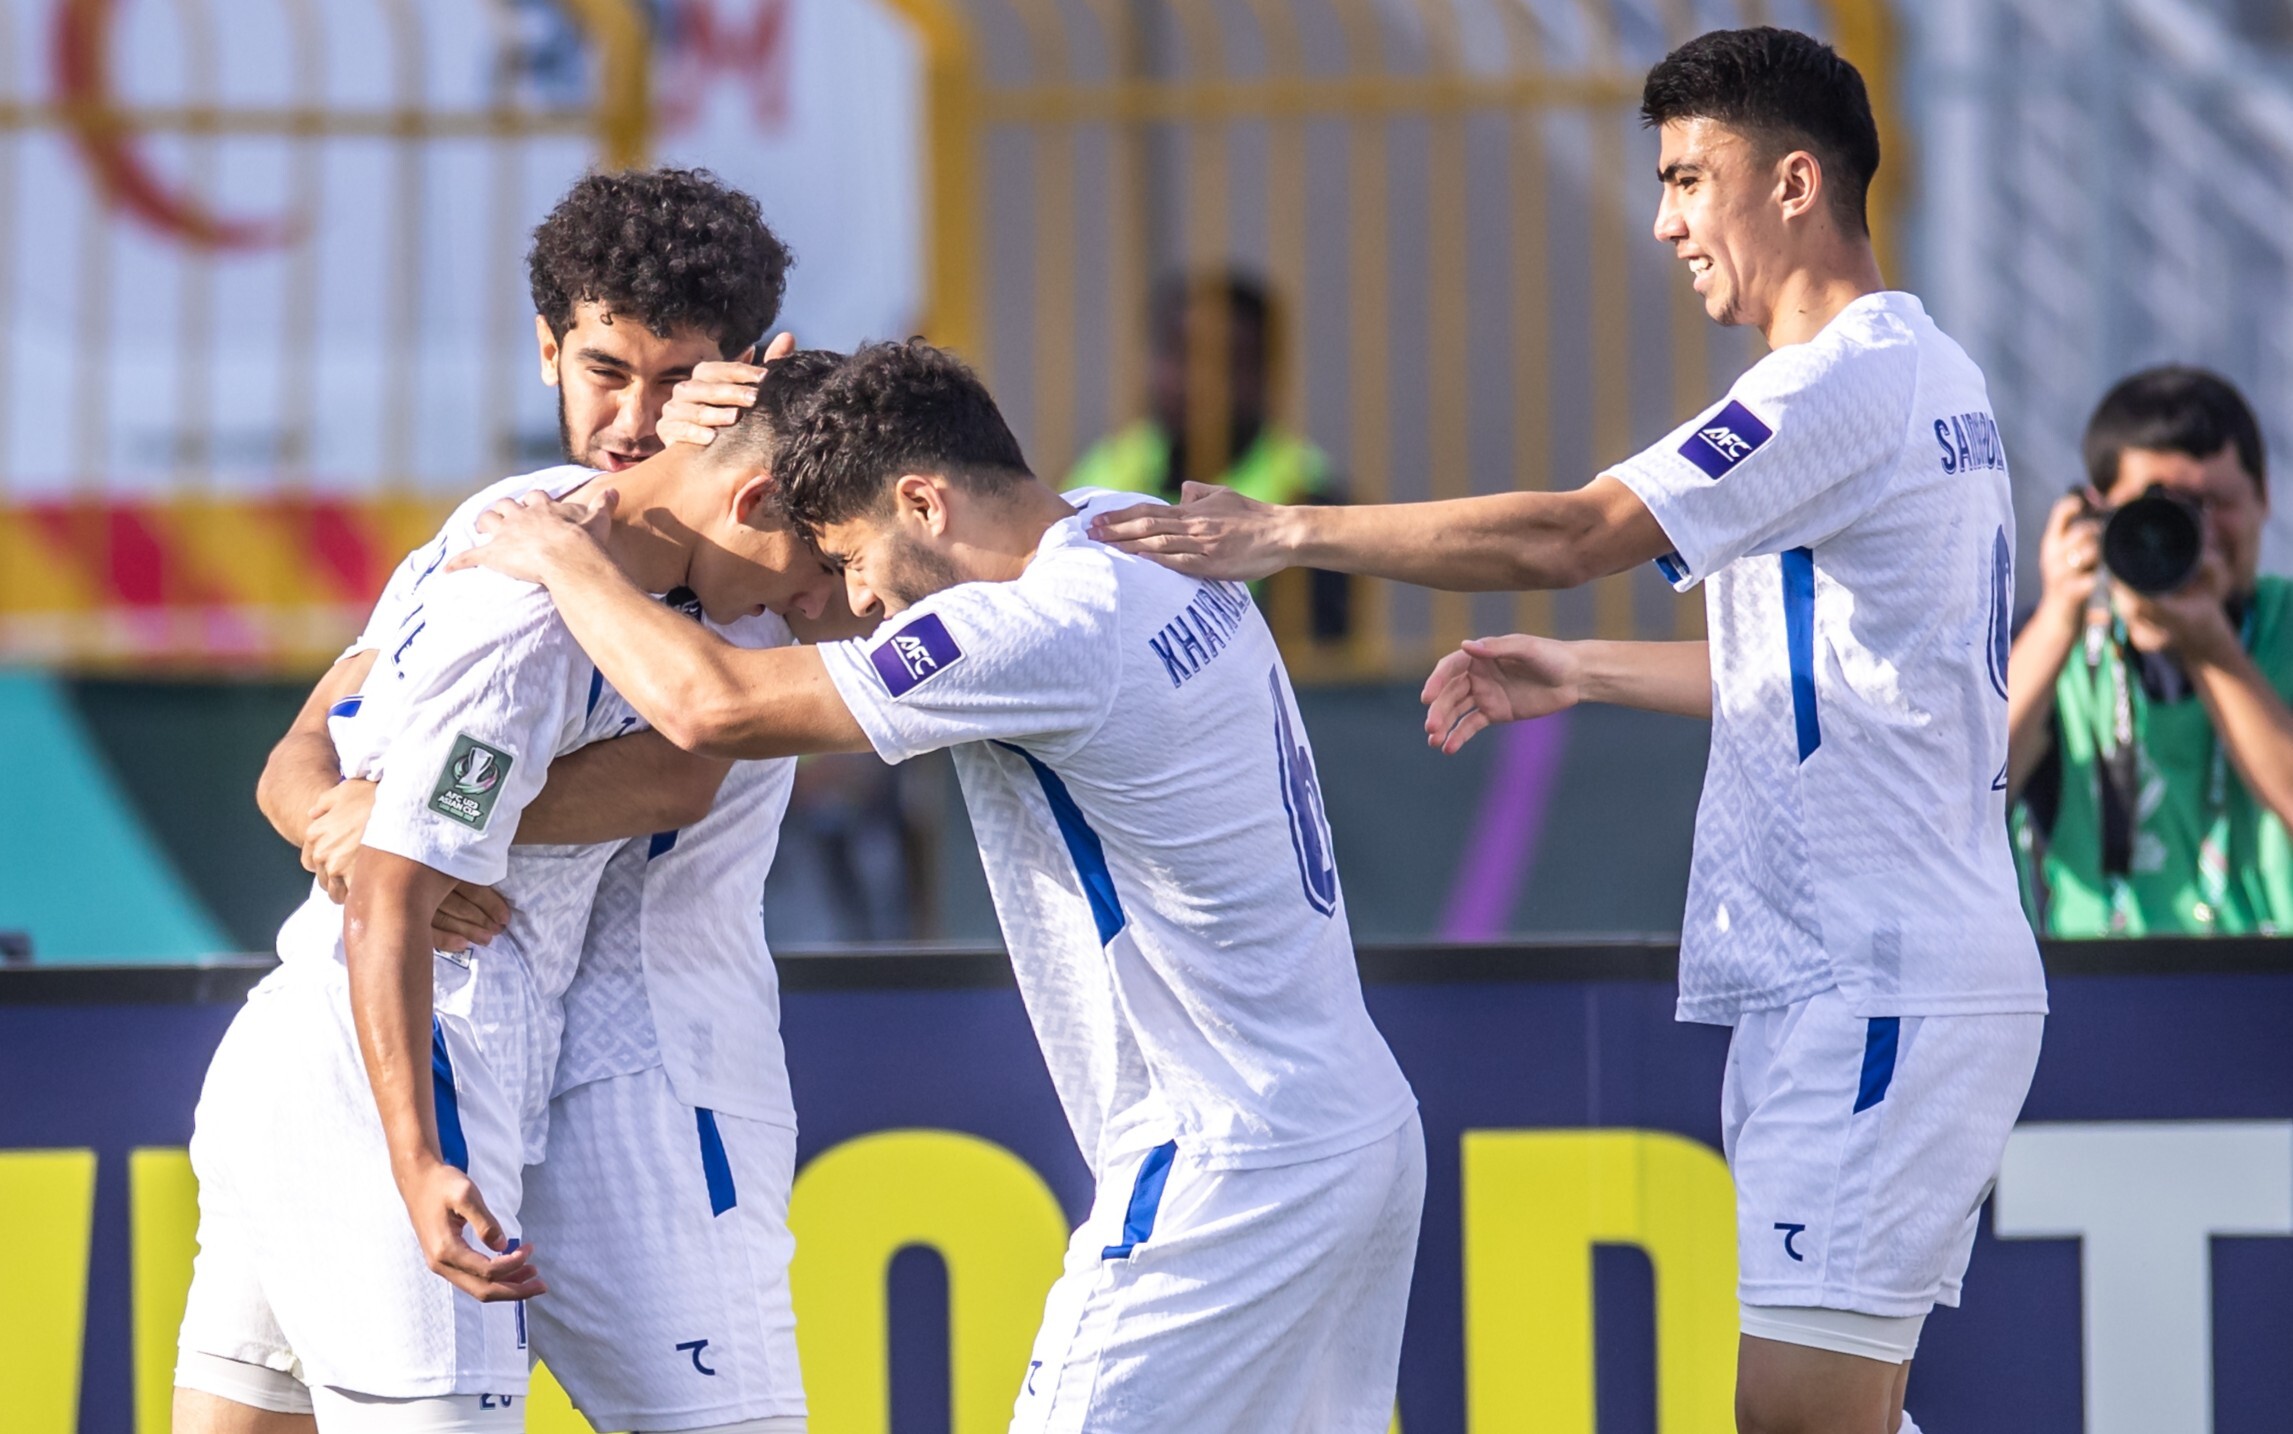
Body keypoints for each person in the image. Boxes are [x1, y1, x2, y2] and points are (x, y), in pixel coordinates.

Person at [1091, 26, 2046, 1434]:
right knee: (1839, 1409)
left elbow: (1571, 529)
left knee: (1796, 1416)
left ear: (1792, 182)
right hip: (1875, 976)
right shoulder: (1928, 373)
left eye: (1684, 179)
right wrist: (1588, 672)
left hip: (1879, 984)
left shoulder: (1832, 383)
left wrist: (1278, 528)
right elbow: (1864, 690)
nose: (1663, 221)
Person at [453, 339, 1425, 1434]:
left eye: (854, 555)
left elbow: (712, 708)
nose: (856, 597)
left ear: (923, 501)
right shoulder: (1122, 527)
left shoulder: (1037, 627)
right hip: (1359, 1128)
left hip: (1221, 1164)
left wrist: (560, 556)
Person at [179, 172, 842, 1434]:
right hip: (421, 1048)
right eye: (605, 371)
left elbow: (686, 762)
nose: (634, 421)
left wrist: (420, 831)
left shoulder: (764, 530)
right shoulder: (507, 524)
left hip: (644, 1070)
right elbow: (305, 749)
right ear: (548, 347)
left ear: (753, 373)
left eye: (678, 381)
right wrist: (376, 834)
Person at [2006, 366, 2293, 935]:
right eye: (2156, 509)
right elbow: (1959, 803)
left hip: (2271, 993)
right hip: (2106, 994)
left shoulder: (2285, 628)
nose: (2190, 533)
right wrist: (2060, 614)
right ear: (2096, 516)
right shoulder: (2052, 652)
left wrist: (2213, 649)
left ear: (2264, 497)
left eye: (2213, 504)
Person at [1066, 270, 1350, 641]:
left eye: (1221, 363)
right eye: (1177, 353)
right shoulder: (1103, 470)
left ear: (1264, 374)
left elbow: (1315, 660)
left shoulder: (1307, 494)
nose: (1190, 381)